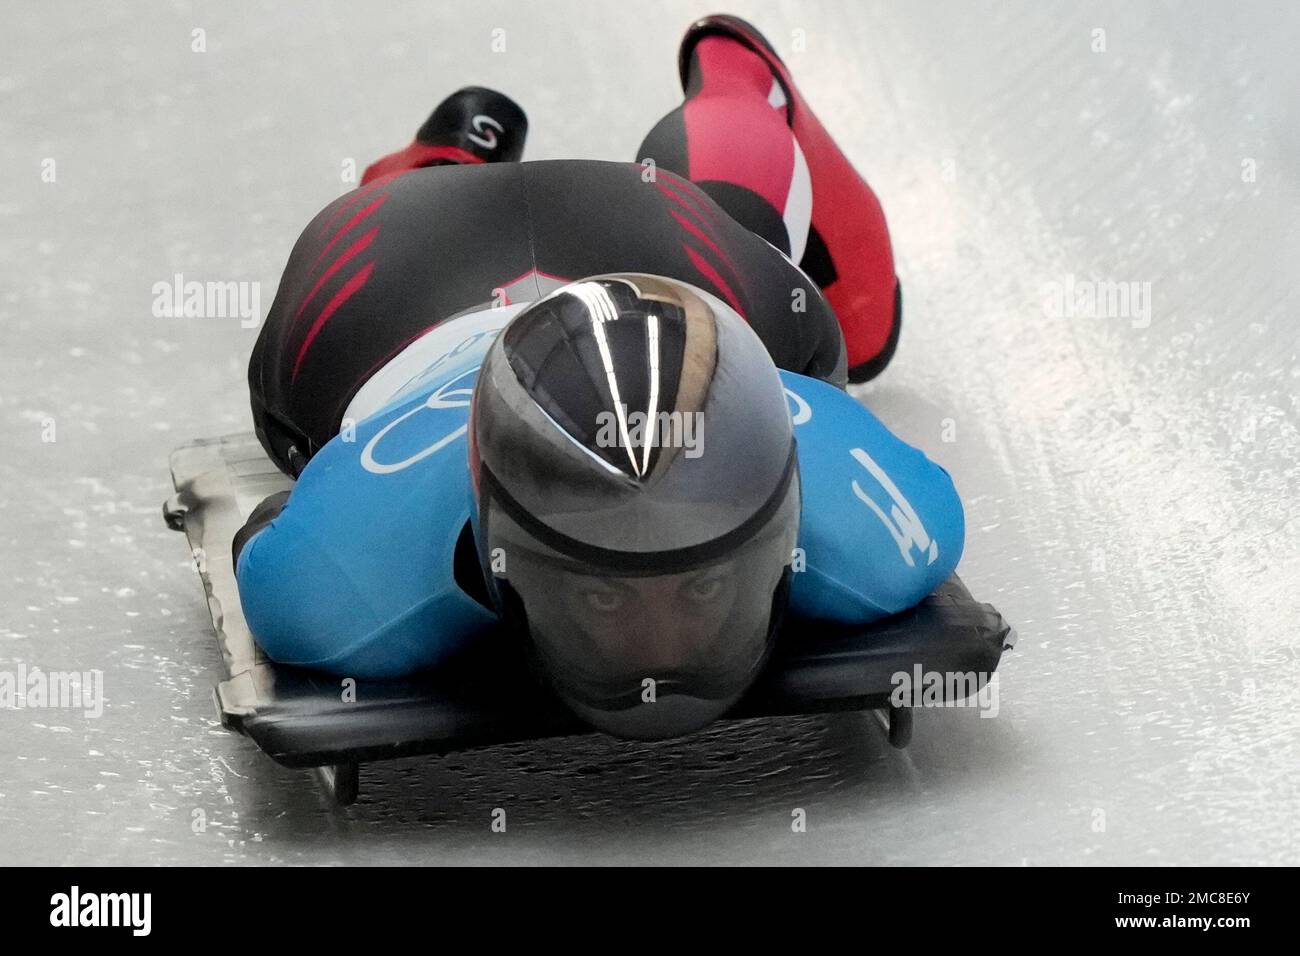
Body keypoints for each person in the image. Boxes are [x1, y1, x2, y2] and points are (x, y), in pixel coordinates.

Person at [234, 15, 964, 739]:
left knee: (840, 314)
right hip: (514, 245)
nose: (663, 653)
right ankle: (710, 98)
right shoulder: (336, 586)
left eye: (705, 588)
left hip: (399, 262)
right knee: (772, 262)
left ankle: (448, 162)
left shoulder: (335, 585)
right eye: (605, 599)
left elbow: (269, 530)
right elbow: (284, 541)